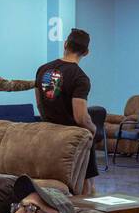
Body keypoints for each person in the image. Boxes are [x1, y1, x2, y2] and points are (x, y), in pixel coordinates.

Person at [35, 28, 99, 186]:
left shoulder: (42, 69)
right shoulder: (80, 78)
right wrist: (93, 128)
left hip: (47, 134)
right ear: (86, 52)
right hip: (73, 137)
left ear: (65, 44)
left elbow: (39, 103)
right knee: (86, 186)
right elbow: (80, 117)